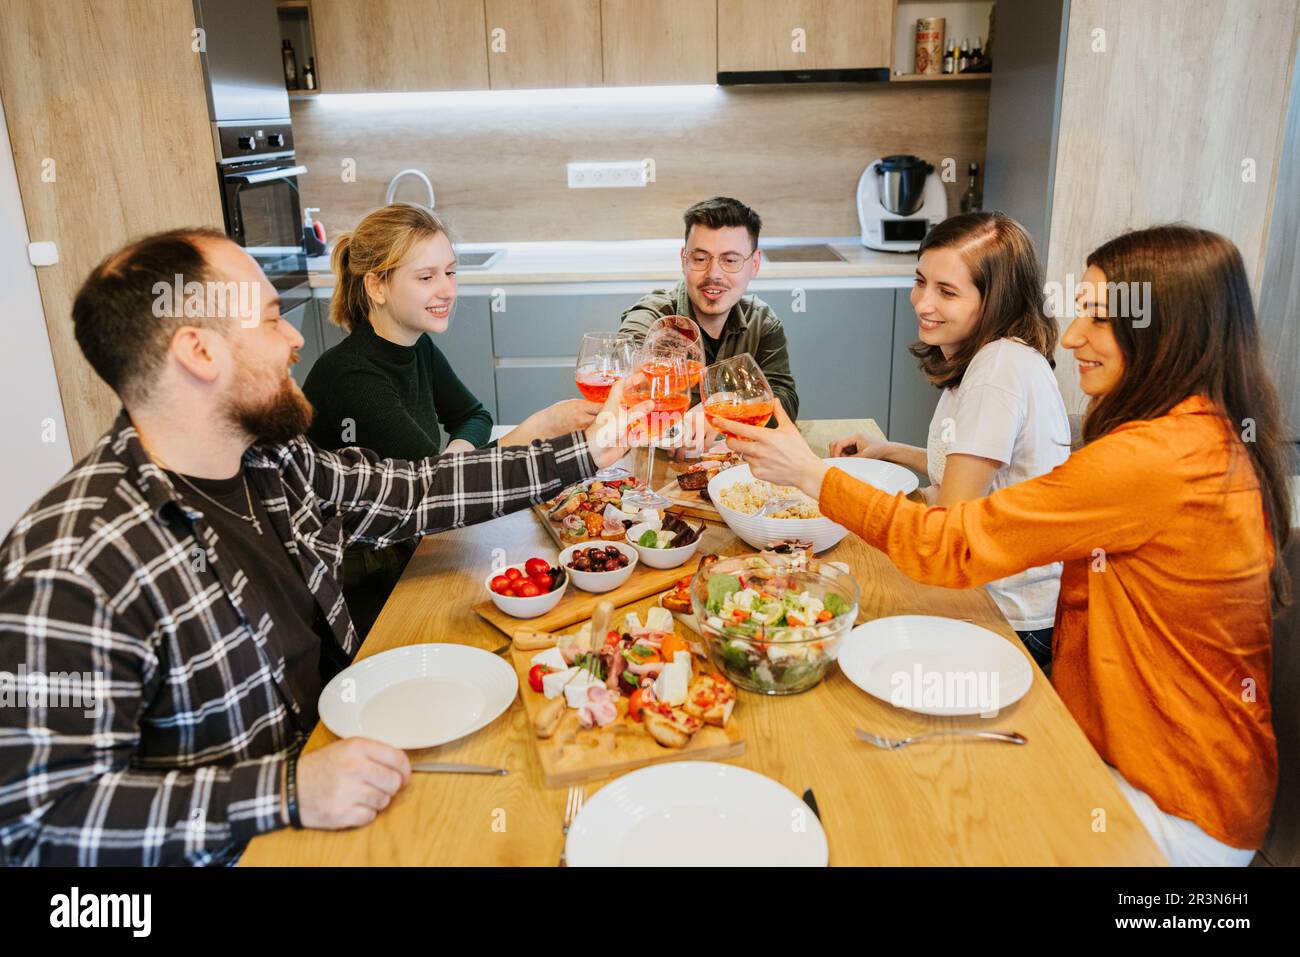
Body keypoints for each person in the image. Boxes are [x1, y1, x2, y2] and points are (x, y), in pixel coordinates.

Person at [0, 228, 641, 865]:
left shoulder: (273, 461)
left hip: (351, 761)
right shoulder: (73, 562)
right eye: (272, 319)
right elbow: (35, 822)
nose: (296, 337)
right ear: (198, 351)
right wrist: (288, 789)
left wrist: (585, 451)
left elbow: (417, 490)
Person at [719, 225, 1291, 866]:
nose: (1072, 335)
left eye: (1098, 317)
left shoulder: (1157, 459)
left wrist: (811, 474)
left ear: (1170, 330)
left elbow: (952, 544)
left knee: (915, 820)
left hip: (1170, 808)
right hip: (1141, 763)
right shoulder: (1195, 433)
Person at [303, 205, 599, 636]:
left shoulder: (414, 345)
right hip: (365, 586)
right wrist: (542, 426)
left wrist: (458, 453)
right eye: (426, 278)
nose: (446, 291)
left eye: (450, 273)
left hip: (413, 544)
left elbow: (473, 417)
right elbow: (447, 495)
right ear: (376, 287)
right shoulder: (353, 378)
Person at [830, 213, 1071, 670]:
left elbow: (944, 535)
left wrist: (830, 492)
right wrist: (887, 452)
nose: (923, 303)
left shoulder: (998, 371)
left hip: (1008, 617)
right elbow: (980, 472)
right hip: (991, 592)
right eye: (921, 281)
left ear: (994, 301)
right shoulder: (996, 355)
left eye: (947, 292)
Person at [618, 196, 799, 433]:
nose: (714, 273)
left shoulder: (762, 322)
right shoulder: (653, 315)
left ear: (754, 264)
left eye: (730, 260)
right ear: (684, 261)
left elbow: (784, 399)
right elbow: (624, 380)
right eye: (700, 259)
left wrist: (720, 412)